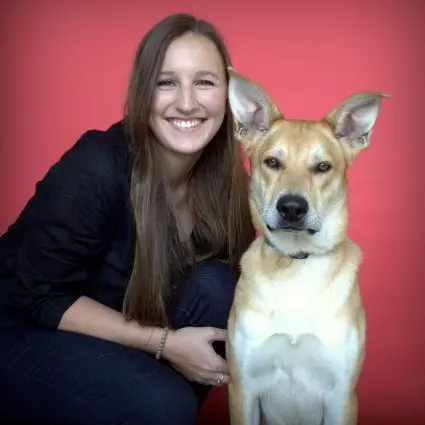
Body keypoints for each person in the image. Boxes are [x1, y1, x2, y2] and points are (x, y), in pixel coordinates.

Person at [0, 13, 255, 425]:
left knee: (221, 284)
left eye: (204, 82)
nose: (187, 102)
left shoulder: (227, 183)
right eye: (166, 82)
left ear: (229, 95)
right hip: (23, 329)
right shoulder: (96, 165)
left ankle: (141, 402)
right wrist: (165, 342)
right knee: (160, 404)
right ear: (142, 92)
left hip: (117, 333)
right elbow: (37, 297)